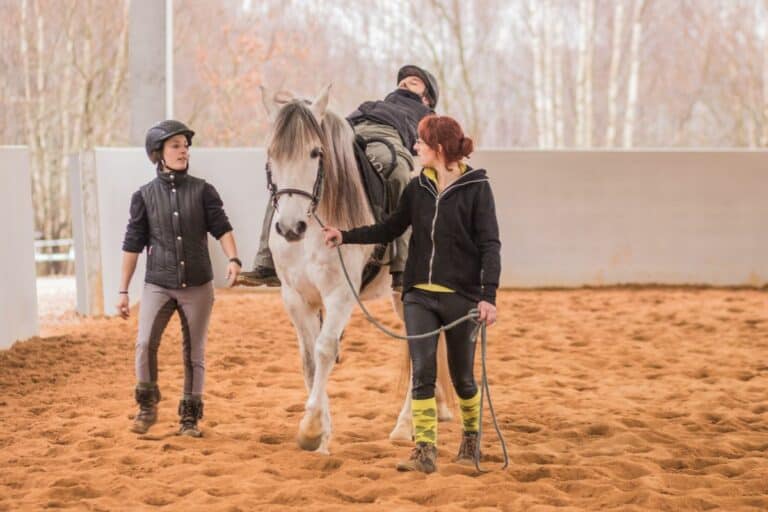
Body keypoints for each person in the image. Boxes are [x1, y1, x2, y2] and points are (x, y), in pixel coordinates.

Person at [322, 115, 501, 474]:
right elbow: (390, 227)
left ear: (437, 148)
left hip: (461, 298)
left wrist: (488, 296)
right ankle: (425, 449)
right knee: (423, 372)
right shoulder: (416, 188)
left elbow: (490, 245)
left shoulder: (477, 188)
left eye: (419, 143)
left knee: (463, 377)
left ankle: (470, 437)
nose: (414, 147)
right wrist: (345, 235)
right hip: (418, 294)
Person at [238, 64, 439, 291]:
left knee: (400, 174)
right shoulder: (375, 104)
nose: (405, 82)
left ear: (427, 99)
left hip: (387, 141)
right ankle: (266, 261)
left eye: (414, 82)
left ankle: (402, 264)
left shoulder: (427, 116)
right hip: (348, 135)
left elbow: (426, 143)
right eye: (403, 80)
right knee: (292, 176)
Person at [118, 120, 242, 437]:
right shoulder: (143, 196)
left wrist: (233, 258)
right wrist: (122, 290)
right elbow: (132, 244)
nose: (183, 150)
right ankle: (147, 406)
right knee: (145, 343)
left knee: (194, 353)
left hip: (198, 285)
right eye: (175, 145)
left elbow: (222, 228)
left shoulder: (204, 190)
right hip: (157, 283)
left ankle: (190, 418)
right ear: (158, 153)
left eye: (185, 146)